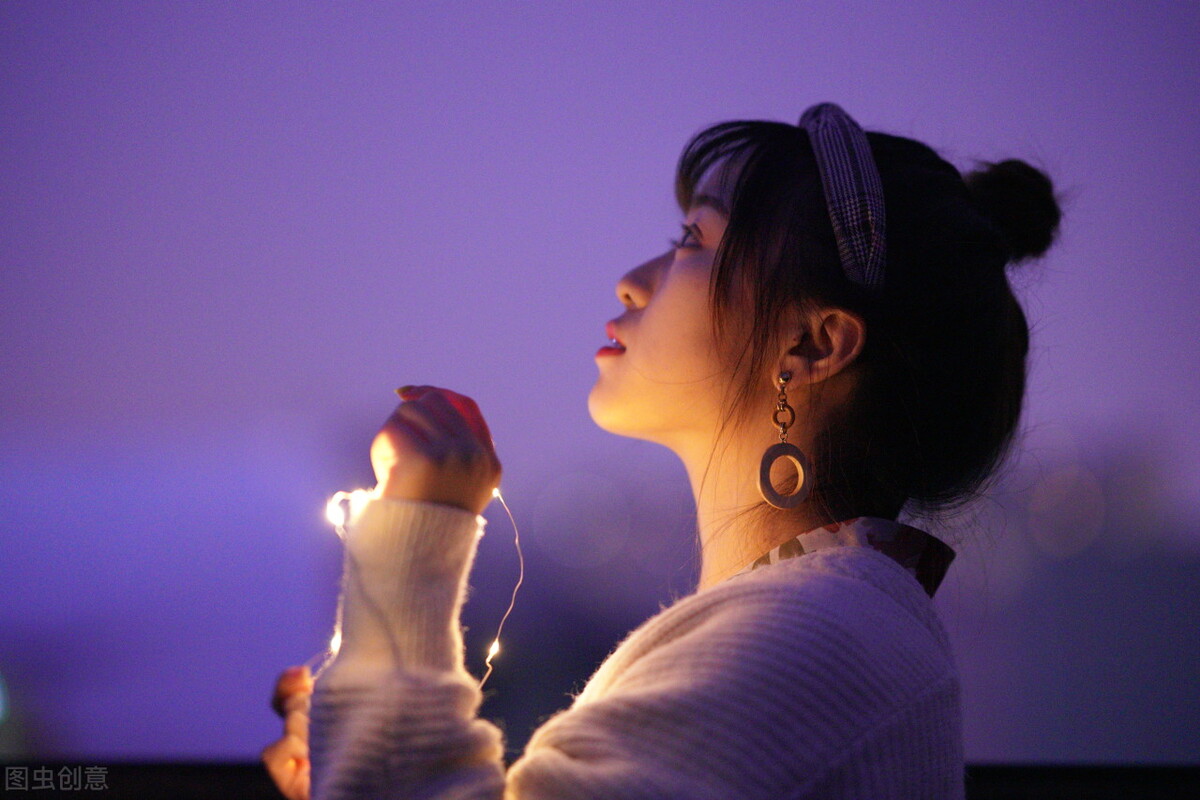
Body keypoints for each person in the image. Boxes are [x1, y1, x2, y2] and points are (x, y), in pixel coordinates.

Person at [261, 103, 1062, 799]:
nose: (630, 281)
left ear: (813, 343)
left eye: (692, 240)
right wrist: (365, 754)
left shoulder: (807, 647)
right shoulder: (829, 632)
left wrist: (416, 536)